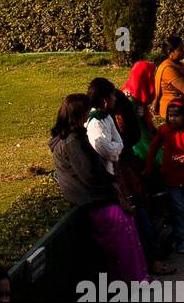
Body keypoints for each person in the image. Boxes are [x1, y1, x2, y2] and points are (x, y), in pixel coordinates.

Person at [50, 93, 148, 282]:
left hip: (94, 199)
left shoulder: (70, 138)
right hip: (94, 201)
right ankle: (133, 281)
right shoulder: (73, 141)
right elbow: (90, 176)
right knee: (124, 236)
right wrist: (114, 190)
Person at [144, 99, 184, 253]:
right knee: (177, 208)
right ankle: (181, 240)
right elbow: (153, 148)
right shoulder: (164, 130)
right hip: (171, 176)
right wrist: (149, 168)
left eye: (176, 115)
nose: (173, 118)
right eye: (170, 115)